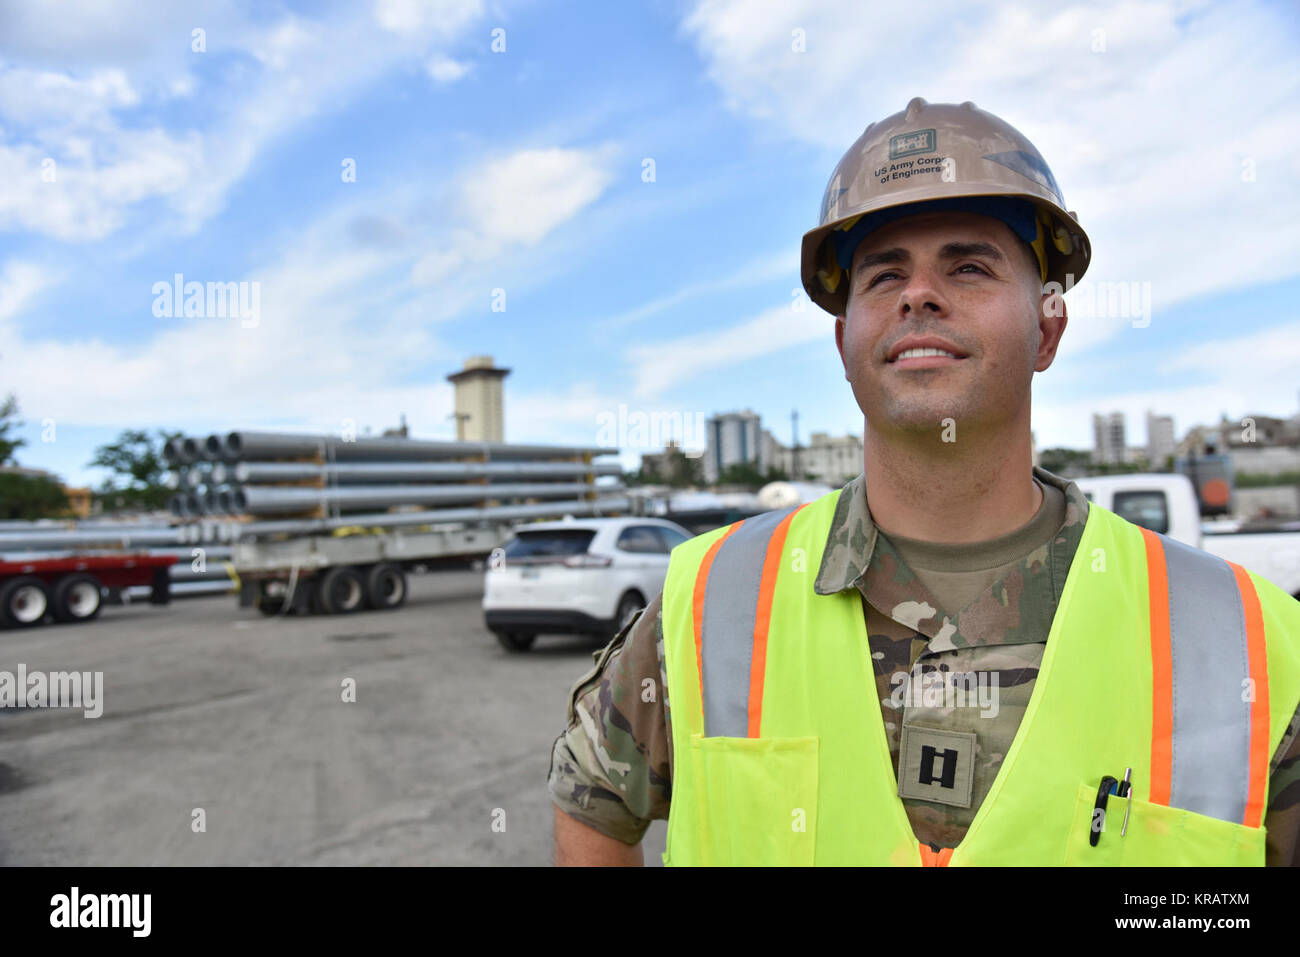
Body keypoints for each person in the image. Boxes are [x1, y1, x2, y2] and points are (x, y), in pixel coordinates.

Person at [548, 97, 1300, 866]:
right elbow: (593, 808)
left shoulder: (1244, 640)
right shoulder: (710, 604)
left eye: (968, 266)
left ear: (1047, 329)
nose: (918, 295)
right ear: (845, 341)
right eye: (884, 274)